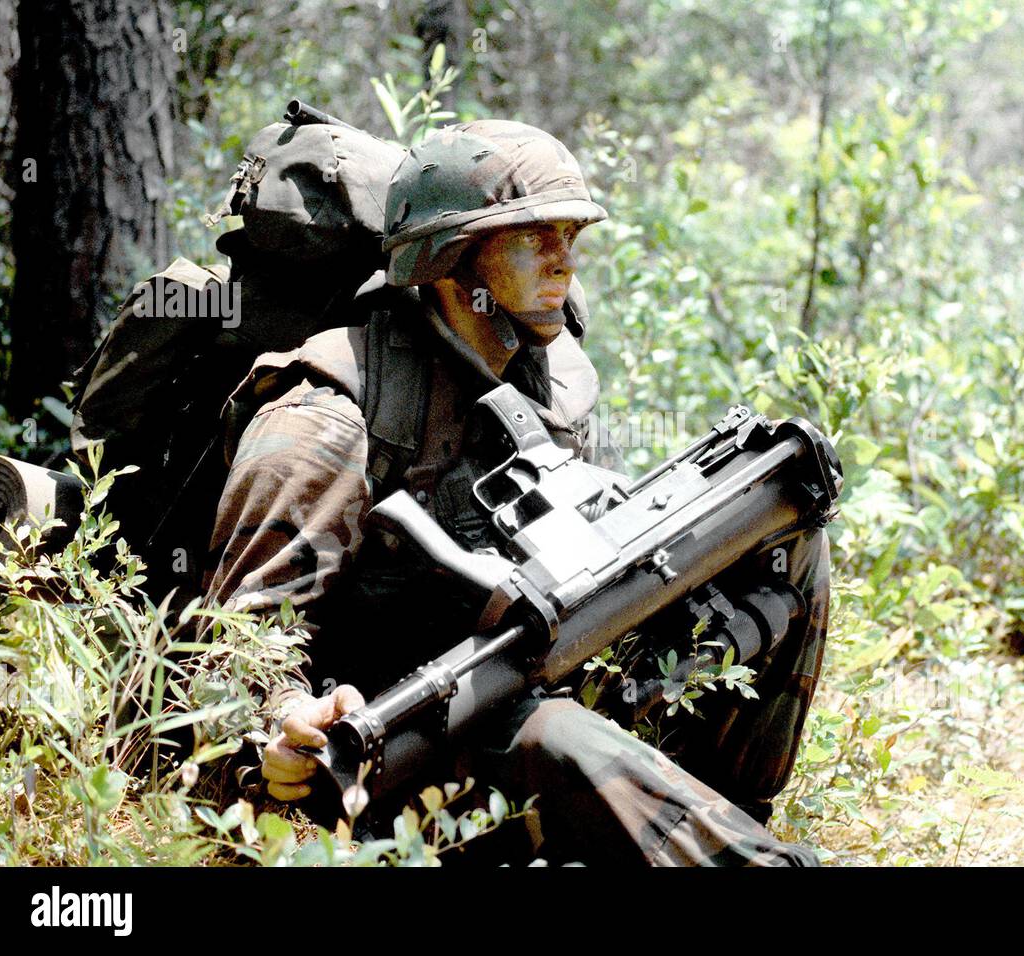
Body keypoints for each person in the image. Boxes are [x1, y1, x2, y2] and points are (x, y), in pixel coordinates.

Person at [201, 120, 830, 866]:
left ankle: (728, 818)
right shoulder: (330, 415)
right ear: (450, 258)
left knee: (787, 535)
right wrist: (288, 720)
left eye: (571, 236)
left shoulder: (550, 378)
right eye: (535, 239)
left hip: (549, 675)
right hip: (405, 764)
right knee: (553, 735)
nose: (565, 263)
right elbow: (231, 654)